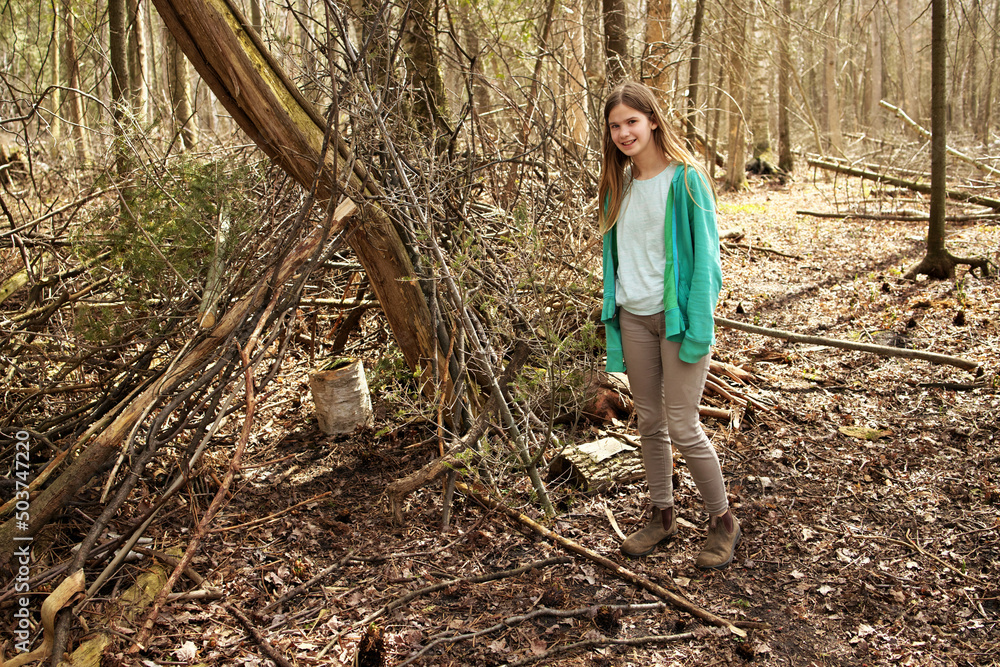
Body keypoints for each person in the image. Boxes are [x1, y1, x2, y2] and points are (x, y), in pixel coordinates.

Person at [598, 81, 740, 569]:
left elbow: (707, 264)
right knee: (651, 423)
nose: (623, 132)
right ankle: (662, 516)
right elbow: (615, 257)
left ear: (653, 121)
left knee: (682, 423)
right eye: (615, 125)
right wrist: (612, 309)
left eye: (632, 121)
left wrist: (701, 327)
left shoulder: (686, 180)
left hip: (678, 320)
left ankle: (723, 521)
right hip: (634, 318)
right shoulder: (618, 184)